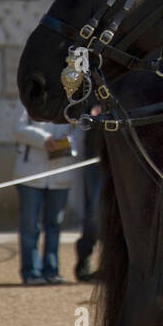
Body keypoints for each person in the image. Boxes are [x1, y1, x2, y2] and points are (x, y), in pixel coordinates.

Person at [12, 106, 78, 285]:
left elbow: (80, 130)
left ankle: (51, 270)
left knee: (54, 225)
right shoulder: (30, 97)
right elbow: (18, 129)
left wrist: (68, 140)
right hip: (30, 173)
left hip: (61, 173)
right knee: (30, 226)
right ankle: (31, 272)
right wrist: (44, 139)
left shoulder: (72, 100)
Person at [75, 105, 102, 282]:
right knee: (95, 211)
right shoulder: (90, 86)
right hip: (97, 154)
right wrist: (90, 112)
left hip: (125, 154)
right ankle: (84, 258)